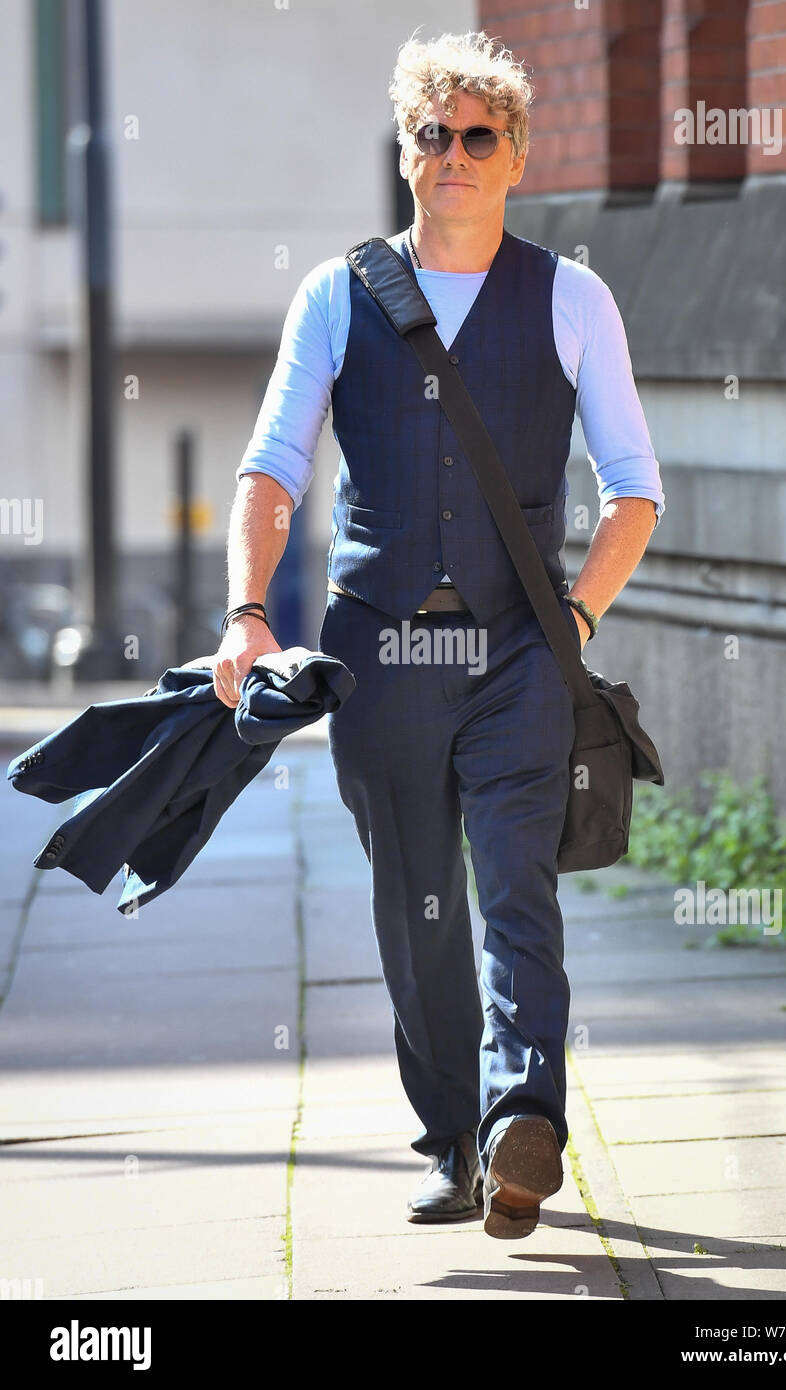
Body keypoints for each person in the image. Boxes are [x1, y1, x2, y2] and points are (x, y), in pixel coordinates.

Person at [212, 30, 665, 1240]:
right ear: (404, 153)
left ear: (515, 156)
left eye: (478, 135)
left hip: (519, 652)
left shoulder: (571, 296)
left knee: (516, 884)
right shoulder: (335, 295)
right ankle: (453, 1138)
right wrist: (248, 611)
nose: (453, 154)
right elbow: (270, 469)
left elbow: (634, 487)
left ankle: (527, 1120)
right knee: (414, 907)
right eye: (433, 134)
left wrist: (572, 618)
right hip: (378, 656)